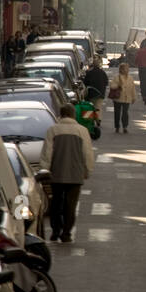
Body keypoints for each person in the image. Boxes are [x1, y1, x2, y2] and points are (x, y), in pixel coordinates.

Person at [39, 103, 94, 243]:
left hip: (56, 173)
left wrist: (44, 170)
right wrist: (88, 170)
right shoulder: (82, 131)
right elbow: (87, 153)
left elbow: (47, 153)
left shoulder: (53, 130)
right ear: (73, 115)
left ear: (61, 115)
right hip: (76, 174)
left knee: (56, 203)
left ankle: (55, 231)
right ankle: (67, 233)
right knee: (71, 205)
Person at [109, 62, 137, 133]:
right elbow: (112, 86)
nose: (127, 70)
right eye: (125, 69)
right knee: (117, 113)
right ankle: (117, 126)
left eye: (127, 69)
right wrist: (118, 85)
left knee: (125, 113)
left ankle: (125, 126)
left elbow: (133, 88)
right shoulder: (117, 77)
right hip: (118, 98)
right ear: (121, 69)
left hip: (127, 98)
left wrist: (134, 97)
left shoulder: (130, 78)